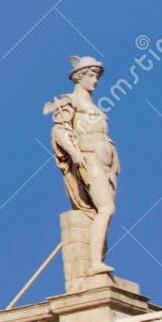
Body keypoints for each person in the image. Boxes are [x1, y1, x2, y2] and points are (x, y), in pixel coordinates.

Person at [44, 56, 119, 280]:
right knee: (106, 209)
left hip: (106, 165)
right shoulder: (70, 102)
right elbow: (59, 131)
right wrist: (75, 153)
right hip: (89, 160)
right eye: (91, 76)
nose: (95, 81)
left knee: (101, 212)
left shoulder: (93, 107)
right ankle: (95, 263)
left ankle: (98, 261)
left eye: (97, 76)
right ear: (80, 77)